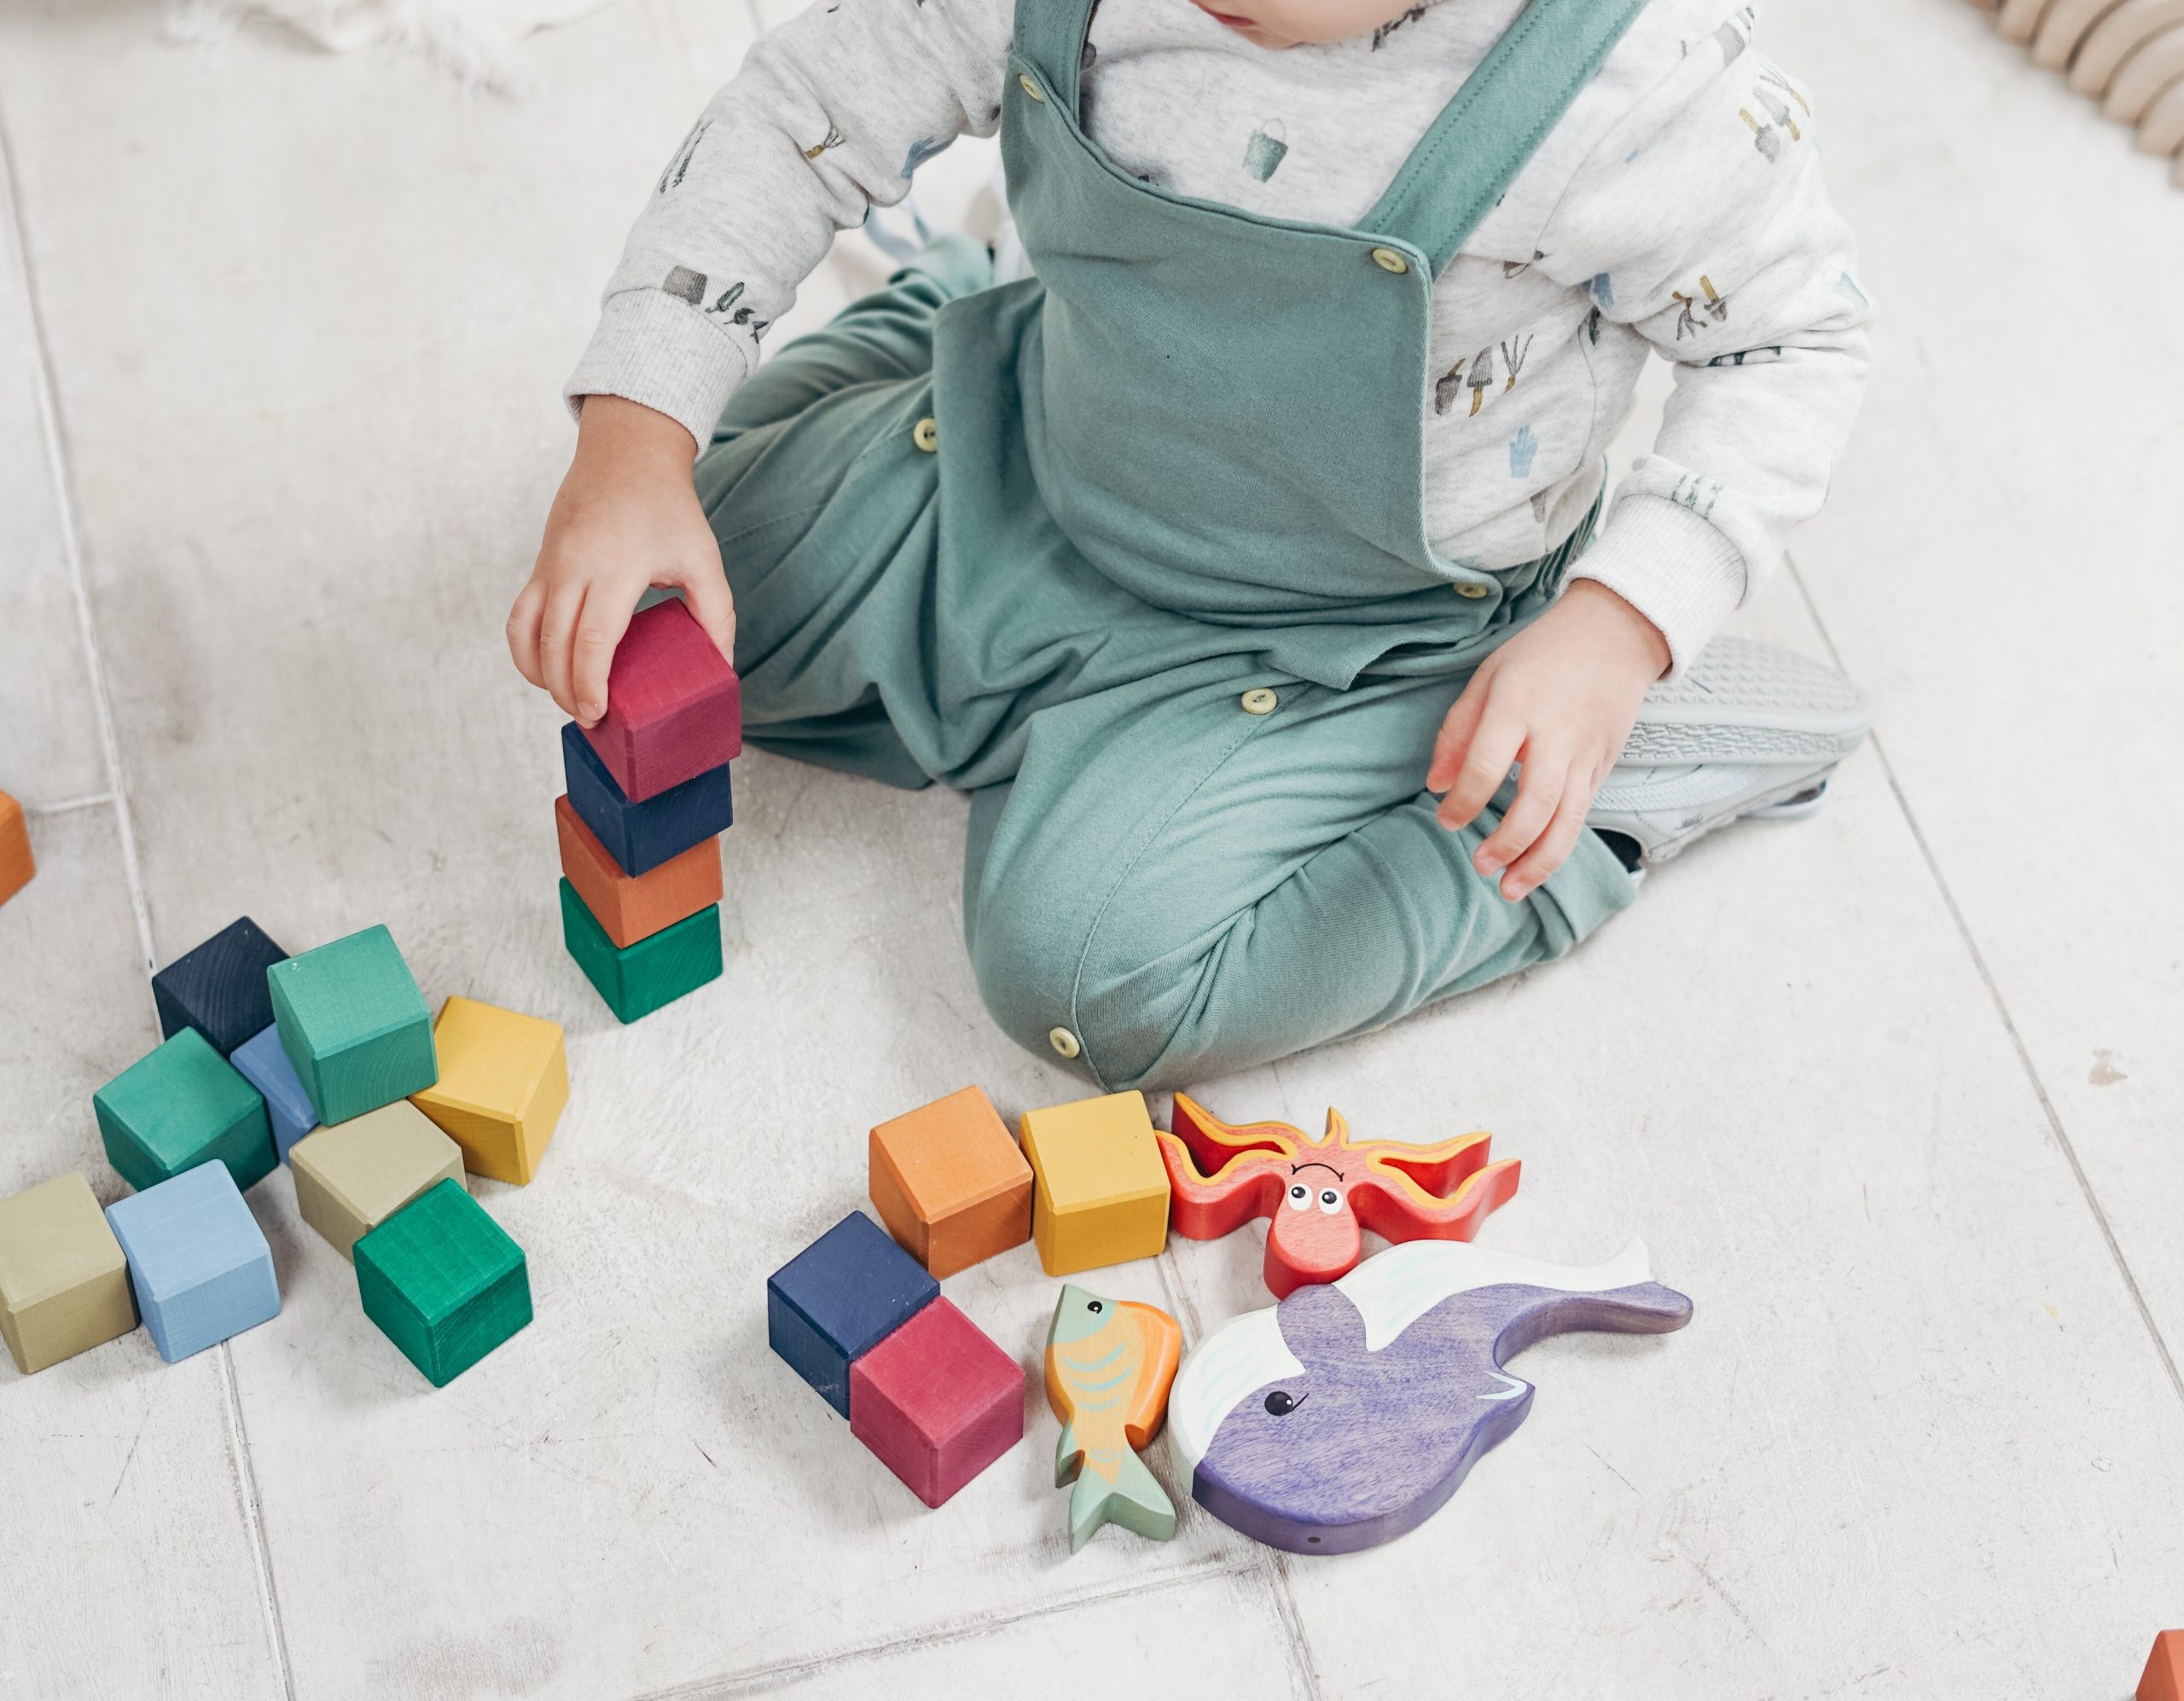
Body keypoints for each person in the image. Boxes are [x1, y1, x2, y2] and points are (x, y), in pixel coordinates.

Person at [508, 0, 1874, 1090]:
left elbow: (1793, 339)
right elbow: (800, 105)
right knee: (687, 584)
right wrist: (636, 438)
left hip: (1351, 638)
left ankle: (1601, 803)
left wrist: (1620, 623)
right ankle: (943, 311)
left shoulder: (1632, 82)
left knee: (1084, 974)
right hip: (1044, 456)